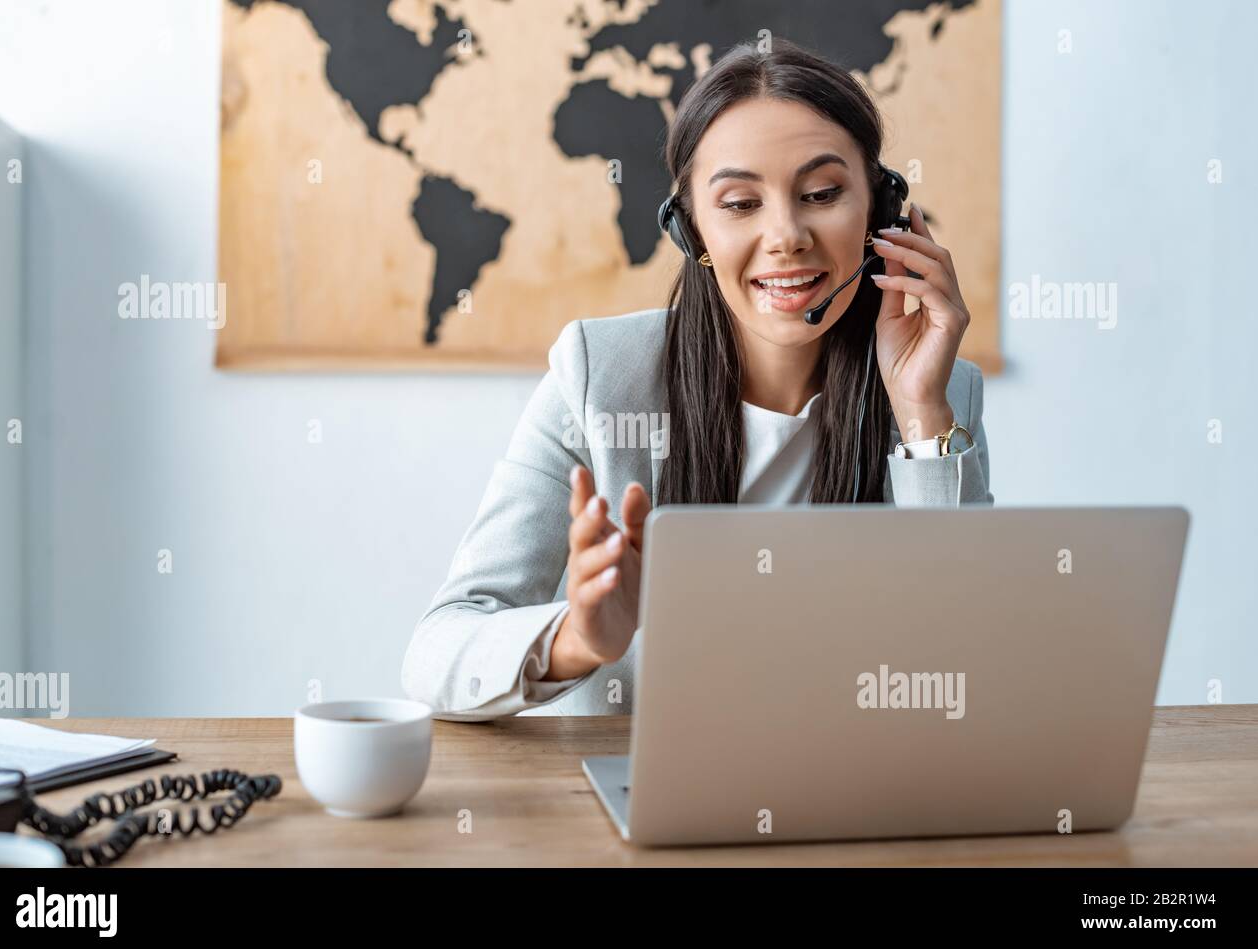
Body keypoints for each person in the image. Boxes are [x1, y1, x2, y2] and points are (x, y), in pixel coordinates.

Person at [402, 38, 993, 722]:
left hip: (851, 793)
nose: (787, 235)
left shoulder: (942, 393)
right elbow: (437, 649)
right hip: (640, 796)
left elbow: (962, 661)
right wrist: (577, 638)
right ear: (693, 231)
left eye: (822, 193)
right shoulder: (600, 376)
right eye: (741, 203)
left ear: (879, 213)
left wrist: (921, 412)